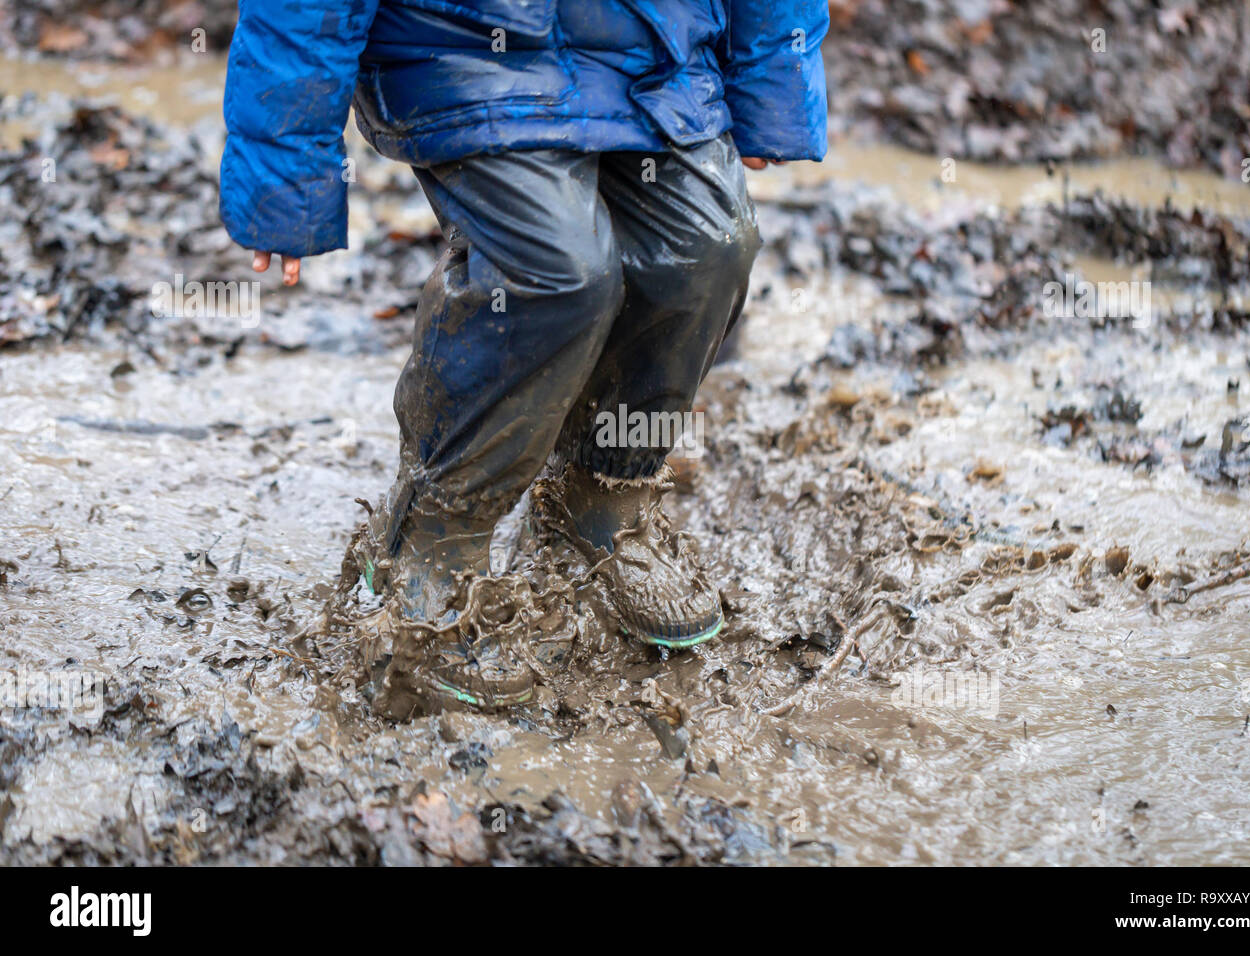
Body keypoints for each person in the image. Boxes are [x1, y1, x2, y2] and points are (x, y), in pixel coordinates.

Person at [220, 0, 828, 709]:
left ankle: (603, 498)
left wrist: (771, 79)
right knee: (556, 272)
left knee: (704, 254)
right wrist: (284, 172)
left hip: (656, 46)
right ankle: (434, 535)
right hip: (466, 49)